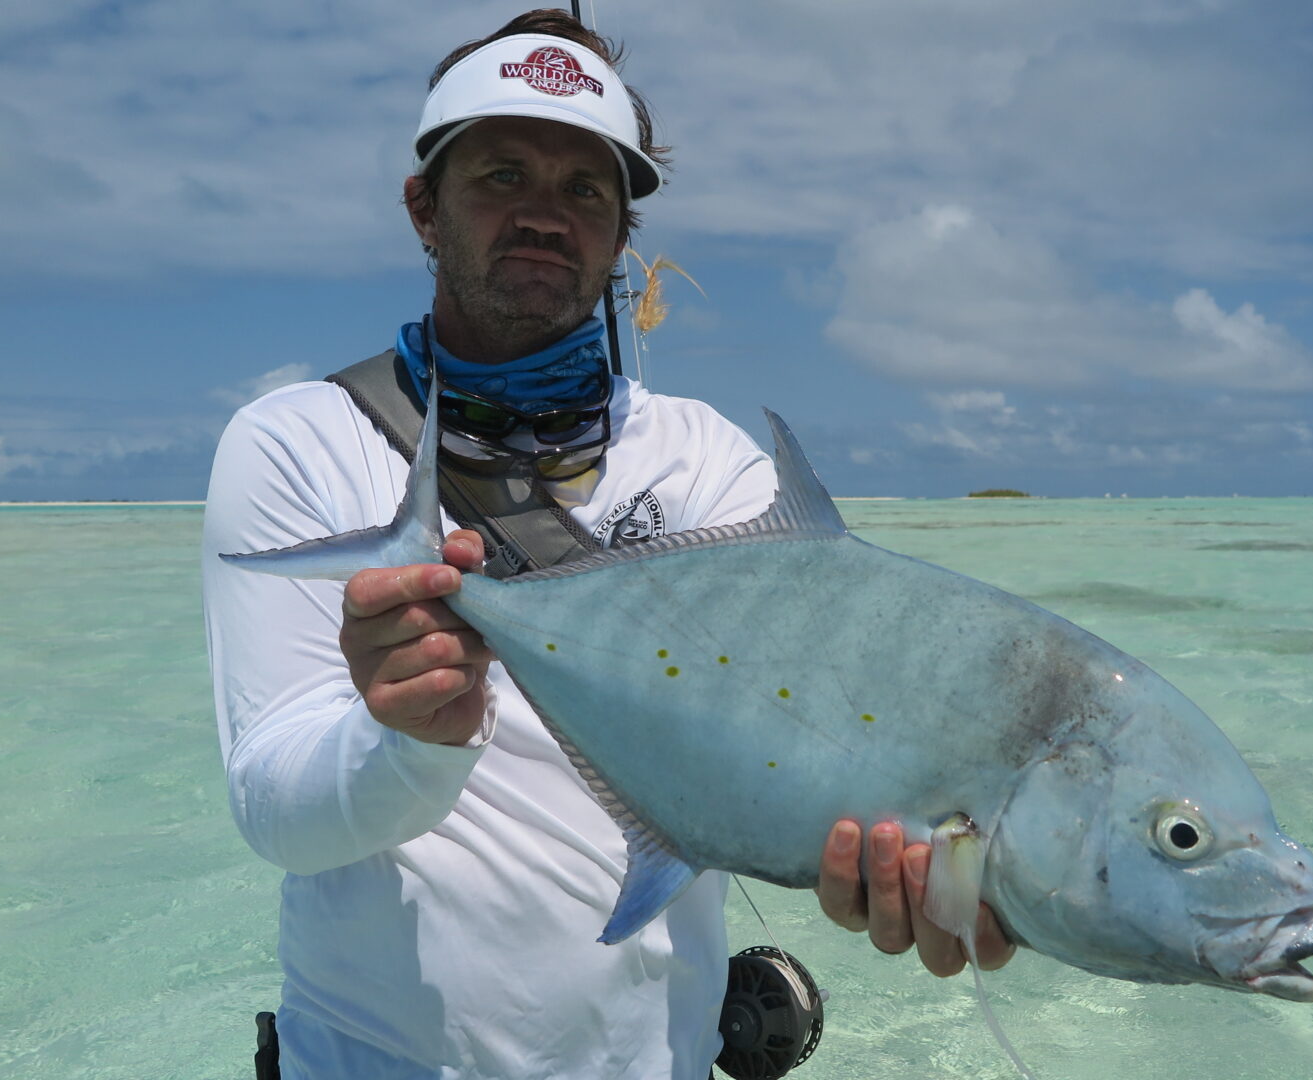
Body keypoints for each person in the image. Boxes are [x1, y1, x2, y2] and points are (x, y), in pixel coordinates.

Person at [202, 10, 1011, 1078]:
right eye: (501, 175)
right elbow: (274, 810)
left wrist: (929, 854)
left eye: (586, 189)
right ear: (423, 208)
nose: (546, 214)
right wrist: (406, 738)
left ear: (622, 235)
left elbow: (795, 735)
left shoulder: (709, 463)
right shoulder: (298, 441)